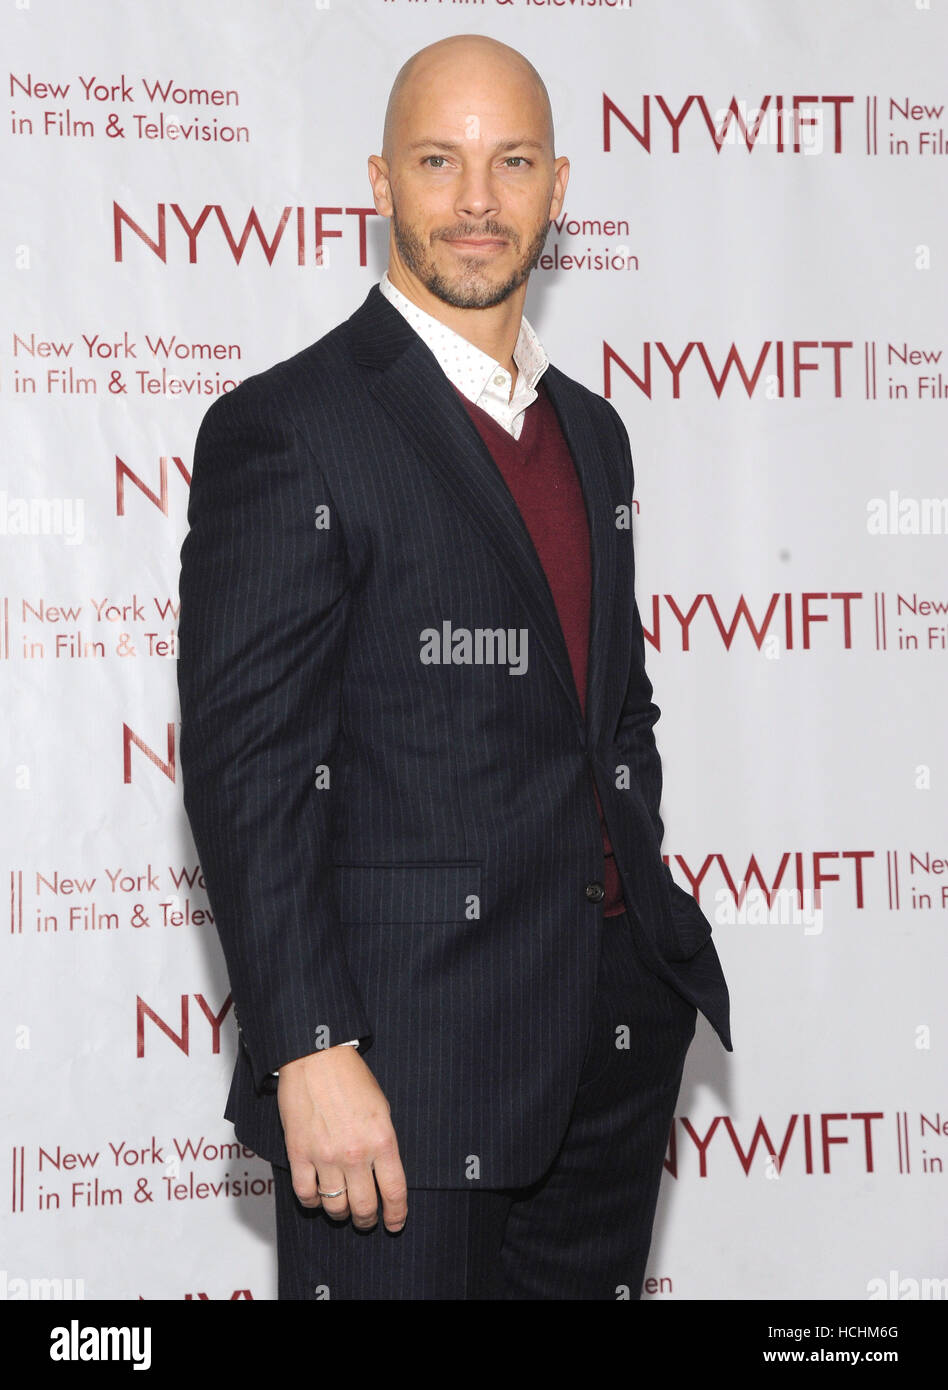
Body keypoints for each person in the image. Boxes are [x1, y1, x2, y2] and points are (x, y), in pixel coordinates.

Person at [177, 33, 731, 1301]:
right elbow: (244, 767)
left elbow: (611, 706)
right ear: (380, 184)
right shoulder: (290, 427)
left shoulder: (593, 433)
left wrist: (644, 925)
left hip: (604, 1053)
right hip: (401, 1075)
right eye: (440, 161)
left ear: (559, 187)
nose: (478, 201)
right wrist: (308, 1047)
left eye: (511, 161)